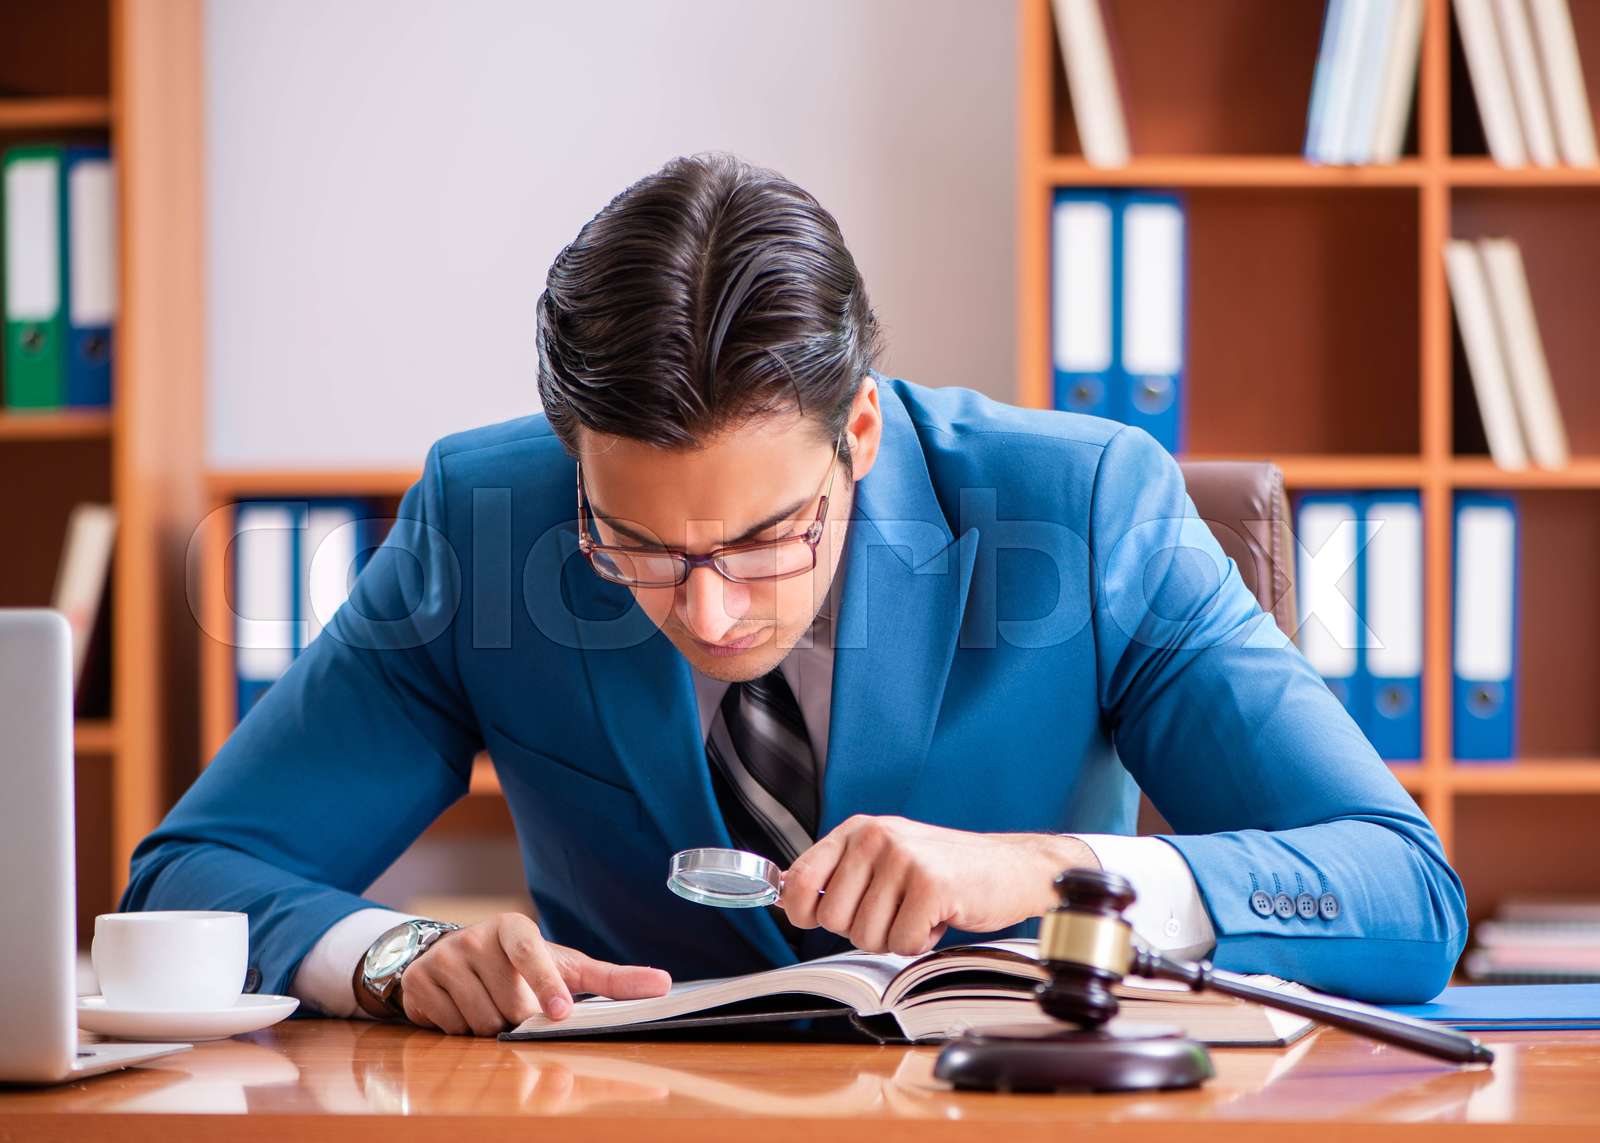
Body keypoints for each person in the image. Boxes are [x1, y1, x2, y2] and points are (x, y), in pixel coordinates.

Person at [122, 153, 1466, 1037]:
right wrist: (392, 948)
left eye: (767, 539)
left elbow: (1404, 894)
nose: (708, 614)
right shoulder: (486, 524)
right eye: (634, 543)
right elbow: (193, 879)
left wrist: (1047, 876)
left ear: (862, 432)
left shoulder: (1086, 508)